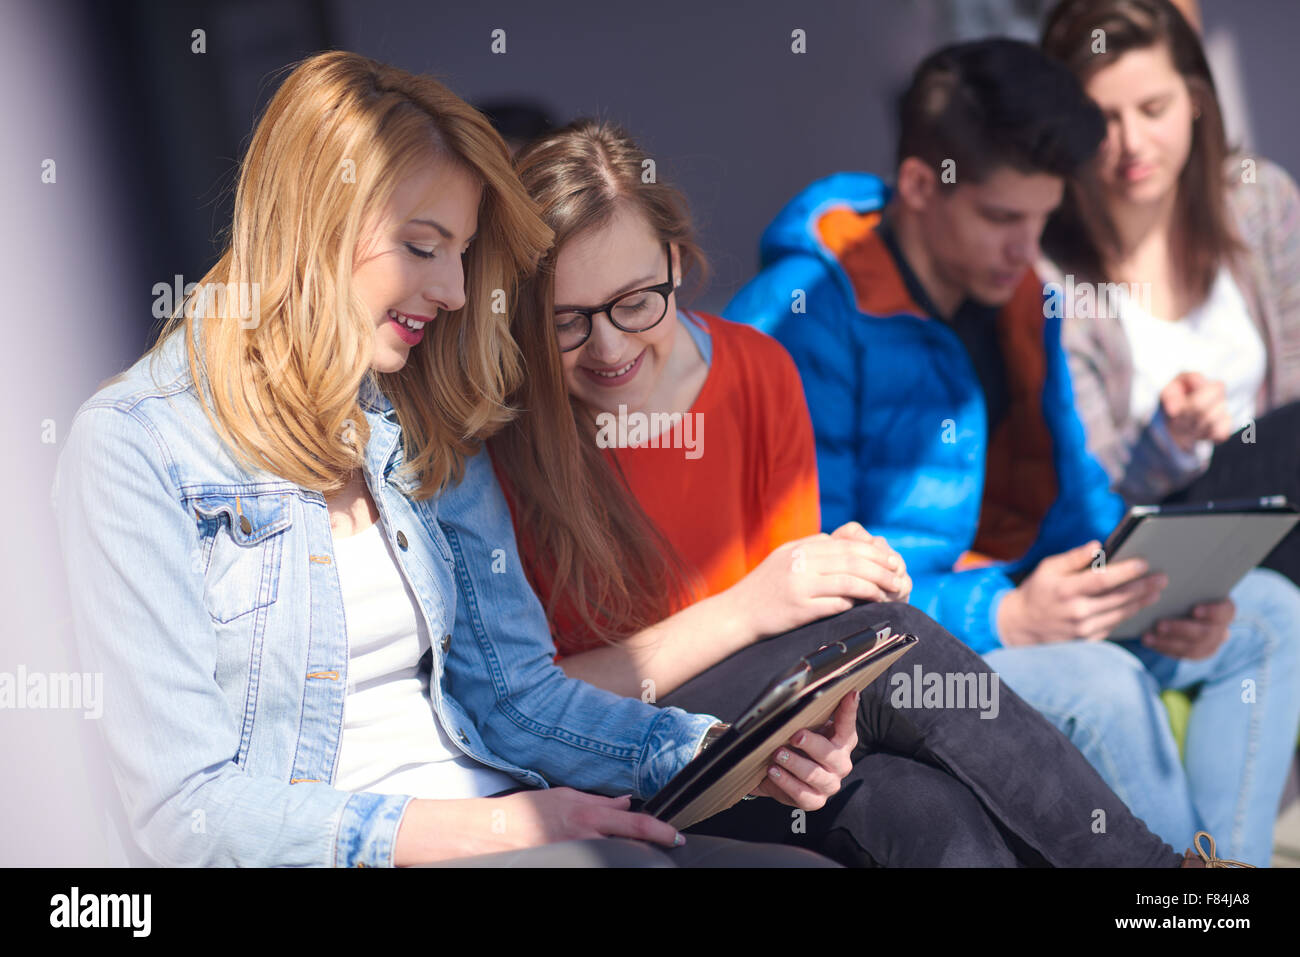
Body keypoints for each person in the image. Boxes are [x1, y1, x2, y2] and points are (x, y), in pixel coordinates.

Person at [49, 51, 849, 869]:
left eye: (461, 253)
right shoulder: (136, 448)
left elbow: (515, 698)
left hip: (508, 812)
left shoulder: (418, 414)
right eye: (423, 247)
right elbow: (189, 812)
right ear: (314, 225)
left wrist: (723, 750)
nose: (458, 291)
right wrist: (503, 829)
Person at [489, 118, 1205, 867]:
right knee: (895, 640)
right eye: (565, 322)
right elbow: (524, 702)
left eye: (636, 301)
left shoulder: (758, 371)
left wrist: (829, 699)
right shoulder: (503, 434)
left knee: (921, 811)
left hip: (753, 741)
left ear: (676, 263)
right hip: (610, 756)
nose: (608, 347)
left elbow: (797, 641)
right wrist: (758, 607)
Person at [725, 37, 1300, 866]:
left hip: (1022, 605)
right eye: (1002, 218)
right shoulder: (806, 312)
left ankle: (1218, 890)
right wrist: (1002, 614)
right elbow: (804, 574)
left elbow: (1078, 503)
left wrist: (1147, 587)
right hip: (897, 655)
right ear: (922, 185)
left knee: (1270, 610)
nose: (1025, 248)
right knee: (1103, 684)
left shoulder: (1025, 296)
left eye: (1041, 219)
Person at [1039, 0, 1300, 588]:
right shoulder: (1048, 277)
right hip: (1154, 535)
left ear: (1196, 101)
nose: (1132, 142)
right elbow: (1089, 493)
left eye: (1153, 109)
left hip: (1279, 510)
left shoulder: (1261, 202)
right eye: (1102, 119)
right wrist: (1167, 439)